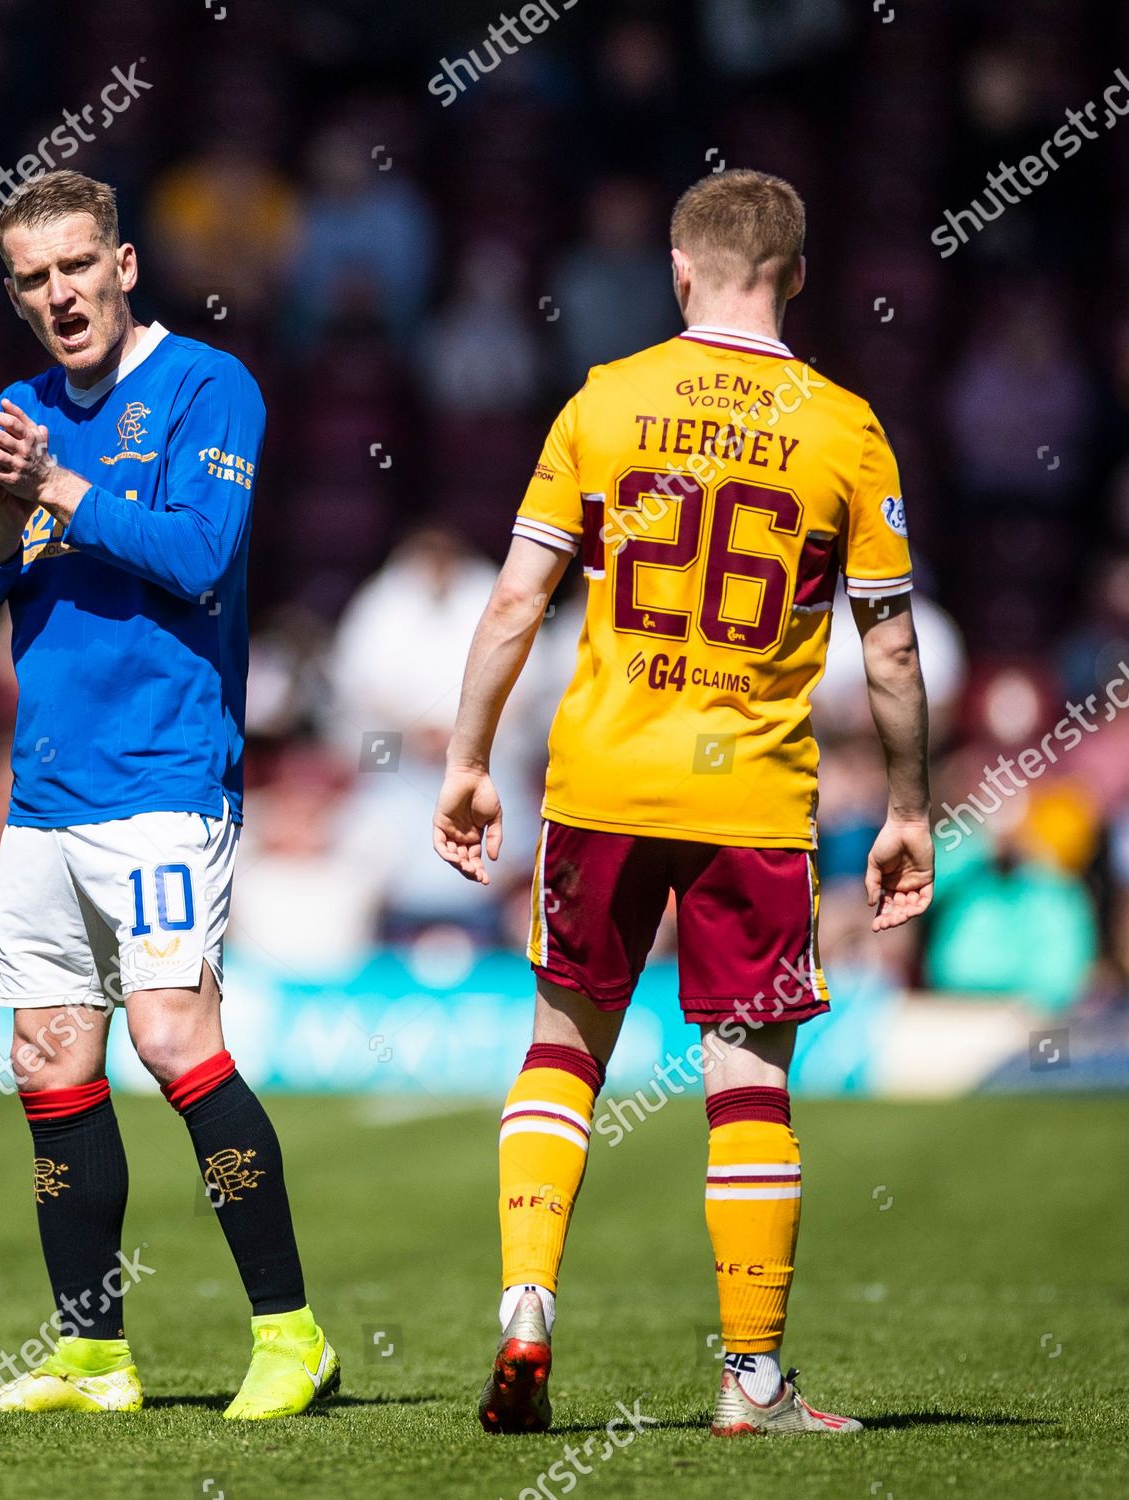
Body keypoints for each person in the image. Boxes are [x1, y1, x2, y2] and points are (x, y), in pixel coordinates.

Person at [433, 169, 932, 1437]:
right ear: (797, 275)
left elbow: (511, 602)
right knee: (746, 1081)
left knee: (562, 1048)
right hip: (753, 801)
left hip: (602, 781)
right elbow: (889, 651)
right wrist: (912, 807)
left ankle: (529, 1304)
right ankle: (751, 1380)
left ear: (677, 269)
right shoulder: (847, 428)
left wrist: (469, 757)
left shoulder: (605, 402)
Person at [0, 170, 337, 1421]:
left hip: (165, 778)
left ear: (123, 265)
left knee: (172, 1039)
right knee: (49, 1060)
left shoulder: (209, 386)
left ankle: (292, 1337)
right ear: (15, 294)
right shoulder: (15, 411)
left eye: (76, 266)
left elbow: (202, 555)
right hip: (46, 791)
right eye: (33, 278)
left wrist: (56, 489)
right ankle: (93, 1359)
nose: (60, 294)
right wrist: (3, 517)